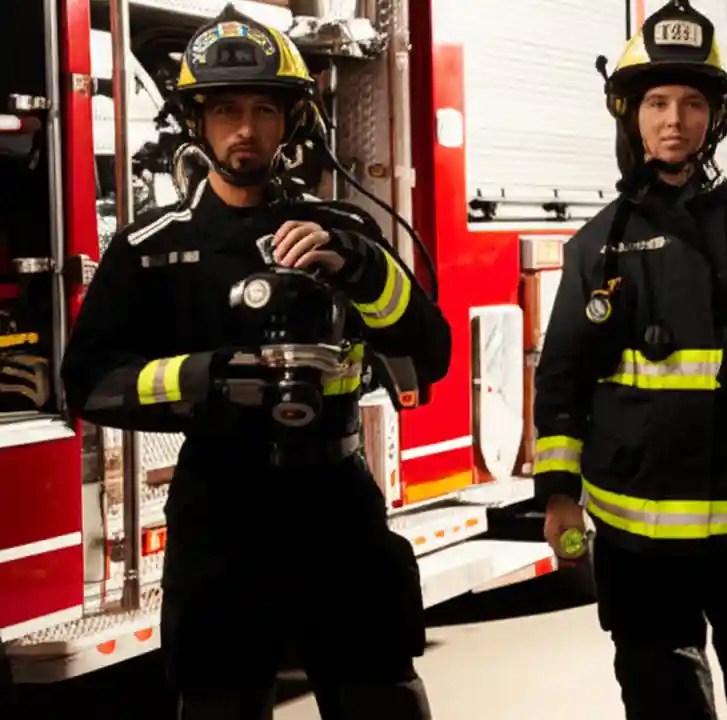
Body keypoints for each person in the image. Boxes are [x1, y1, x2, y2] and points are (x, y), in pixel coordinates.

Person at [60, 6, 448, 718]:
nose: (245, 128)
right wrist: (212, 376)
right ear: (196, 122)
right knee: (220, 703)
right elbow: (87, 382)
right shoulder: (150, 250)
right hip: (221, 514)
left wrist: (359, 268)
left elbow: (432, 353)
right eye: (226, 110)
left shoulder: (343, 230)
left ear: (292, 121)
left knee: (380, 697)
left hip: (337, 509)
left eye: (264, 109)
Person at [532, 2, 727, 718]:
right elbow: (562, 380)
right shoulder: (595, 247)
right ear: (631, 115)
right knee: (661, 699)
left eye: (692, 103)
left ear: (716, 116)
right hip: (634, 537)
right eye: (656, 103)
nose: (674, 120)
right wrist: (557, 494)